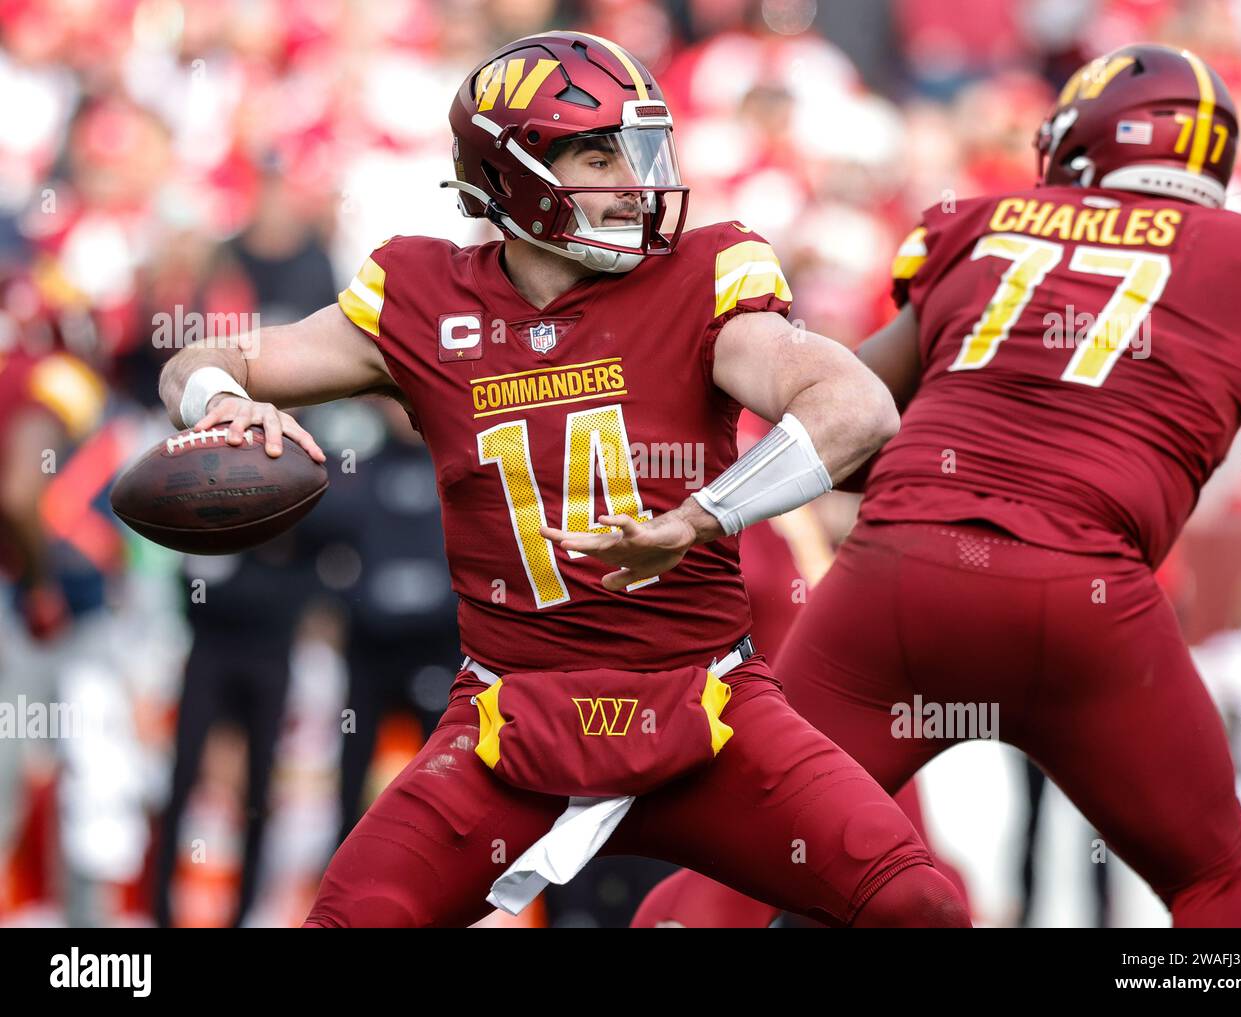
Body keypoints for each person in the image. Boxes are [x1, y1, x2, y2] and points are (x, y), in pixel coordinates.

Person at [156, 31, 968, 928]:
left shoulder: (701, 276)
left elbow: (857, 405)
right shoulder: (423, 295)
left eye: (638, 147)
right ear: (511, 175)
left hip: (704, 702)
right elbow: (199, 358)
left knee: (920, 904)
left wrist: (701, 516)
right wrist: (224, 403)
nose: (633, 176)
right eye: (597, 151)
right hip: (509, 718)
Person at [635, 43, 1241, 928]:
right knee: (1214, 885)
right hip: (1087, 599)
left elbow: (853, 418)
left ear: (1078, 144)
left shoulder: (980, 226)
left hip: (900, 581)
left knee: (733, 872)